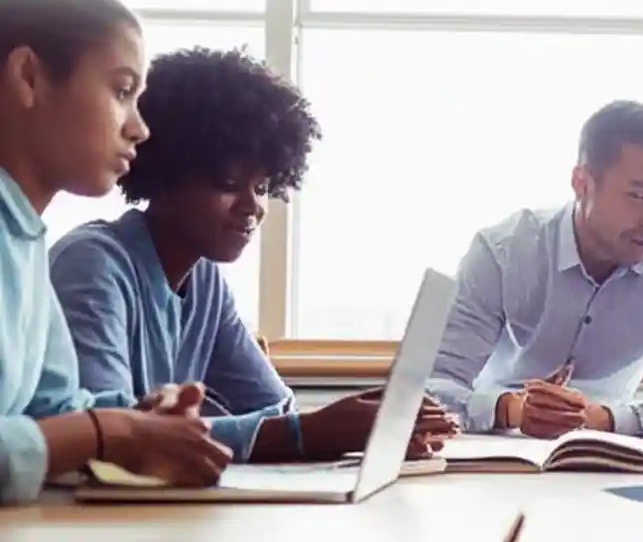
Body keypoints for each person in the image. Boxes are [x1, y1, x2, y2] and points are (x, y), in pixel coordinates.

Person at [49, 46, 455, 463]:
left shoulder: (203, 280)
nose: (253, 206)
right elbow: (105, 427)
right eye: (228, 183)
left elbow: (273, 408)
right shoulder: (92, 265)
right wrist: (311, 432)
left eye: (261, 187)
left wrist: (357, 418)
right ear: (165, 175)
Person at [0, 0, 233, 502]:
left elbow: (51, 410)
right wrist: (107, 432)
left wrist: (136, 428)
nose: (139, 127)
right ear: (29, 76)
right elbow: (69, 431)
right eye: (122, 90)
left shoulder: (24, 237)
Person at [428, 100, 643, 440]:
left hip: (610, 446)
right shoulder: (502, 253)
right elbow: (432, 386)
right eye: (637, 196)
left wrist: (602, 419)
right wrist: (512, 410)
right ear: (582, 183)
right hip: (501, 441)